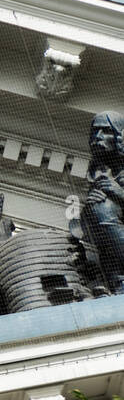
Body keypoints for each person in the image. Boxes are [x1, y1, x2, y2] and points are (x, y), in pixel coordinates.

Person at [82, 110, 124, 294]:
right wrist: (88, 209)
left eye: (106, 131)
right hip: (111, 263)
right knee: (98, 208)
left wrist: (119, 193)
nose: (98, 137)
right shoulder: (98, 174)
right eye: (95, 132)